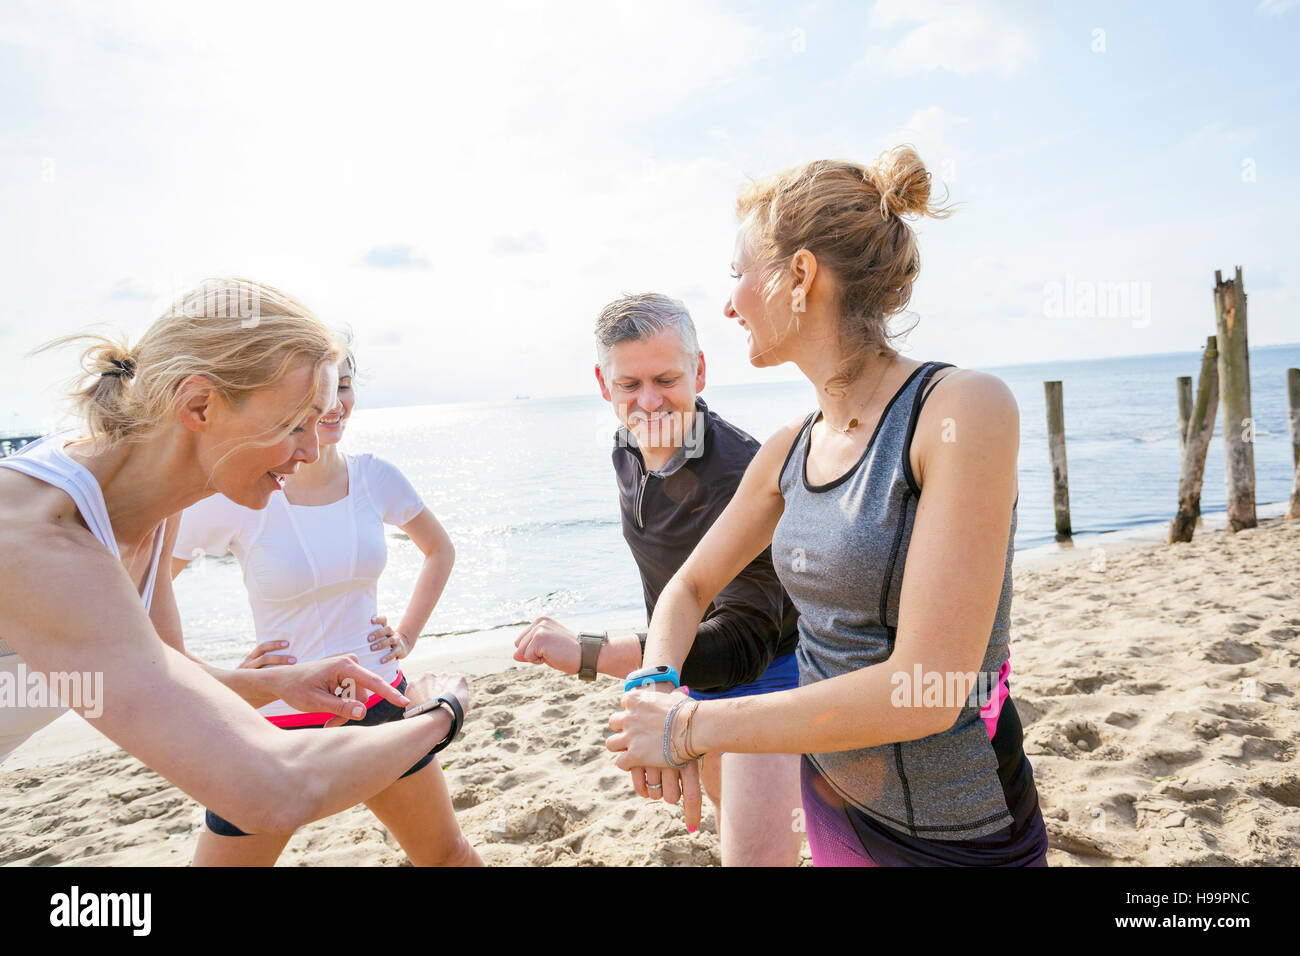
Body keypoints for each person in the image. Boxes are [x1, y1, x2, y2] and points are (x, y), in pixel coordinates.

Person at [606, 147, 1050, 866]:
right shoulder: (787, 448)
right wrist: (656, 687)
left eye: (737, 275)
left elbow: (926, 692)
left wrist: (689, 728)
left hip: (955, 834)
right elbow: (688, 586)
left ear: (800, 277)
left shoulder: (962, 408)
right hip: (833, 799)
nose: (728, 303)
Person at [0, 279, 469, 841]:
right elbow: (270, 793)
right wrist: (442, 712)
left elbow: (163, 667)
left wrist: (284, 682)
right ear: (200, 405)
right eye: (295, 423)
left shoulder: (151, 497)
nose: (312, 449)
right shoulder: (44, 541)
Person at [513, 293, 803, 866]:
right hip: (684, 668)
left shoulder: (740, 477)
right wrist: (664, 689)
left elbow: (745, 644)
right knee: (731, 829)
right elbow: (664, 585)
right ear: (603, 383)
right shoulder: (627, 445)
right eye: (629, 385)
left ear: (699, 370)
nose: (649, 403)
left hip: (774, 676)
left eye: (667, 379)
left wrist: (593, 653)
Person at [170, 346, 481, 866]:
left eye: (344, 384)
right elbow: (145, 592)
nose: (333, 403)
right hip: (276, 720)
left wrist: (405, 636)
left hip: (381, 700)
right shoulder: (239, 493)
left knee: (447, 856)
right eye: (318, 390)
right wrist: (224, 678)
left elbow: (440, 550)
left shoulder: (375, 476)